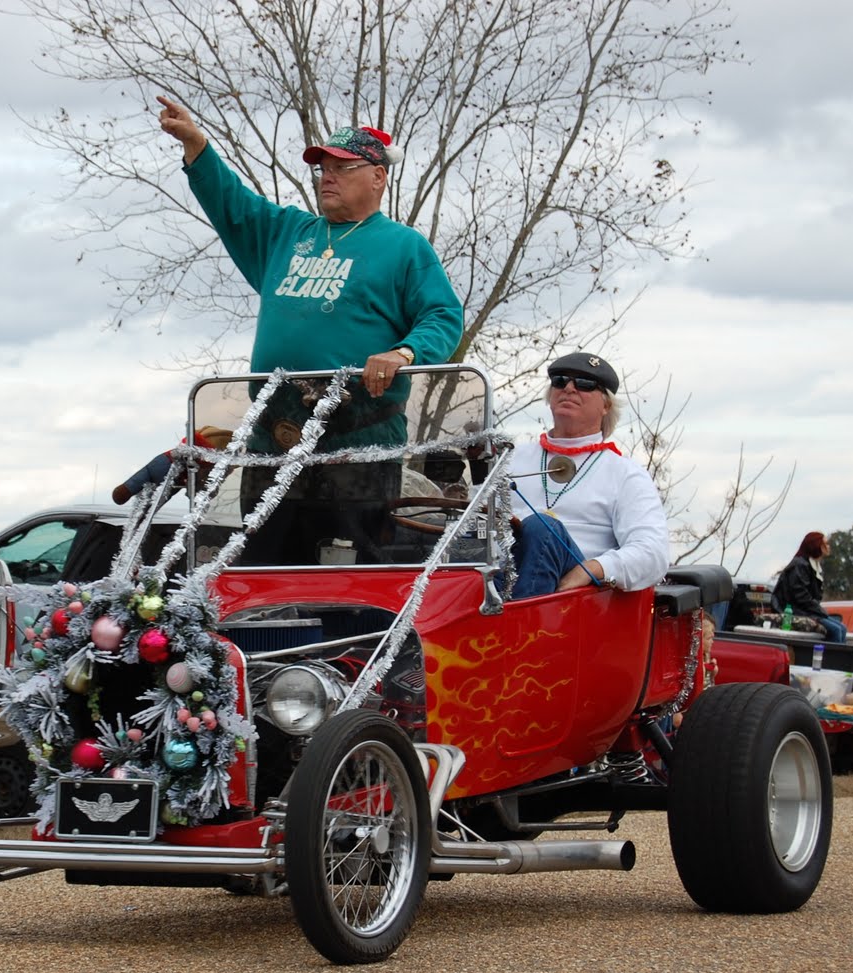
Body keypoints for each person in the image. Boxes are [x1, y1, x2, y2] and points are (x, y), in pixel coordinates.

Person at [157, 97, 465, 563]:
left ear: (378, 176)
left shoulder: (403, 246)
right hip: (274, 436)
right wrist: (197, 145)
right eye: (322, 168)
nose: (328, 176)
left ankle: (359, 637)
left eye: (342, 166)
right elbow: (232, 205)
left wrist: (403, 353)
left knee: (350, 567)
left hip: (357, 441)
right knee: (266, 565)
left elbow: (443, 316)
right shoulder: (286, 233)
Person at [505, 352, 670, 599]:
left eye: (585, 384)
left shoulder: (625, 473)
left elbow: (653, 553)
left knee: (542, 527)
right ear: (550, 396)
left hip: (575, 602)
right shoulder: (510, 459)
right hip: (501, 574)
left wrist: (592, 568)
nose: (569, 388)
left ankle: (516, 631)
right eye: (560, 381)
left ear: (606, 405)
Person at [111, 426, 232, 505]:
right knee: (151, 502)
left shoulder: (202, 457)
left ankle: (130, 496)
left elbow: (196, 490)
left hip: (167, 469)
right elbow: (197, 491)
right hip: (170, 471)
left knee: (147, 500)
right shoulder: (208, 461)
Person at [772, 532, 849, 642]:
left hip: (806, 610)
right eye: (825, 544)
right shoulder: (800, 565)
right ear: (816, 545)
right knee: (836, 630)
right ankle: (831, 658)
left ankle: (837, 658)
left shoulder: (812, 565)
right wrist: (820, 611)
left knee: (842, 628)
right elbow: (801, 596)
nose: (828, 546)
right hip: (793, 611)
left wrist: (819, 611)